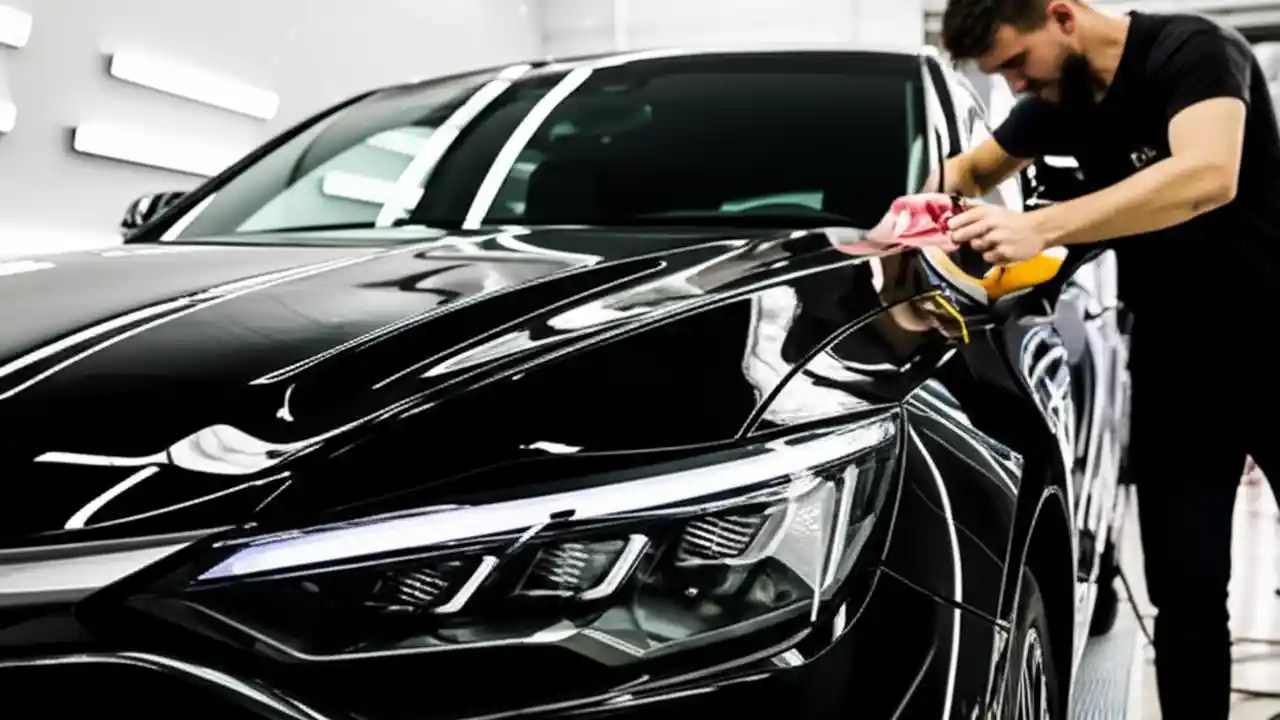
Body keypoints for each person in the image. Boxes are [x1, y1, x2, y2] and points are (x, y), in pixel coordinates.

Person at [930, 1, 1280, 718]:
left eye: (1017, 66)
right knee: (1184, 592)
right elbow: (967, 167)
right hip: (1177, 368)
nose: (1017, 88)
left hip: (1274, 346)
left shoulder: (1193, 51)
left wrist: (1040, 226)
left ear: (1061, 17)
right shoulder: (1060, 96)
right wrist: (911, 220)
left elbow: (1208, 175)